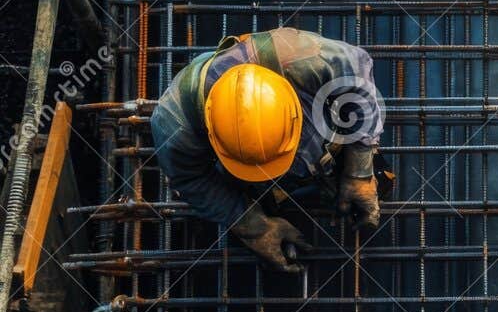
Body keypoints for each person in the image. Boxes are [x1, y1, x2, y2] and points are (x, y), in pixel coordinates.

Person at [151, 28, 384, 273]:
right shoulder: (174, 124)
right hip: (260, 191)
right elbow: (190, 178)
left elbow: (357, 77)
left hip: (323, 134)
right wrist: (253, 225)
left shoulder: (300, 58)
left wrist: (360, 171)